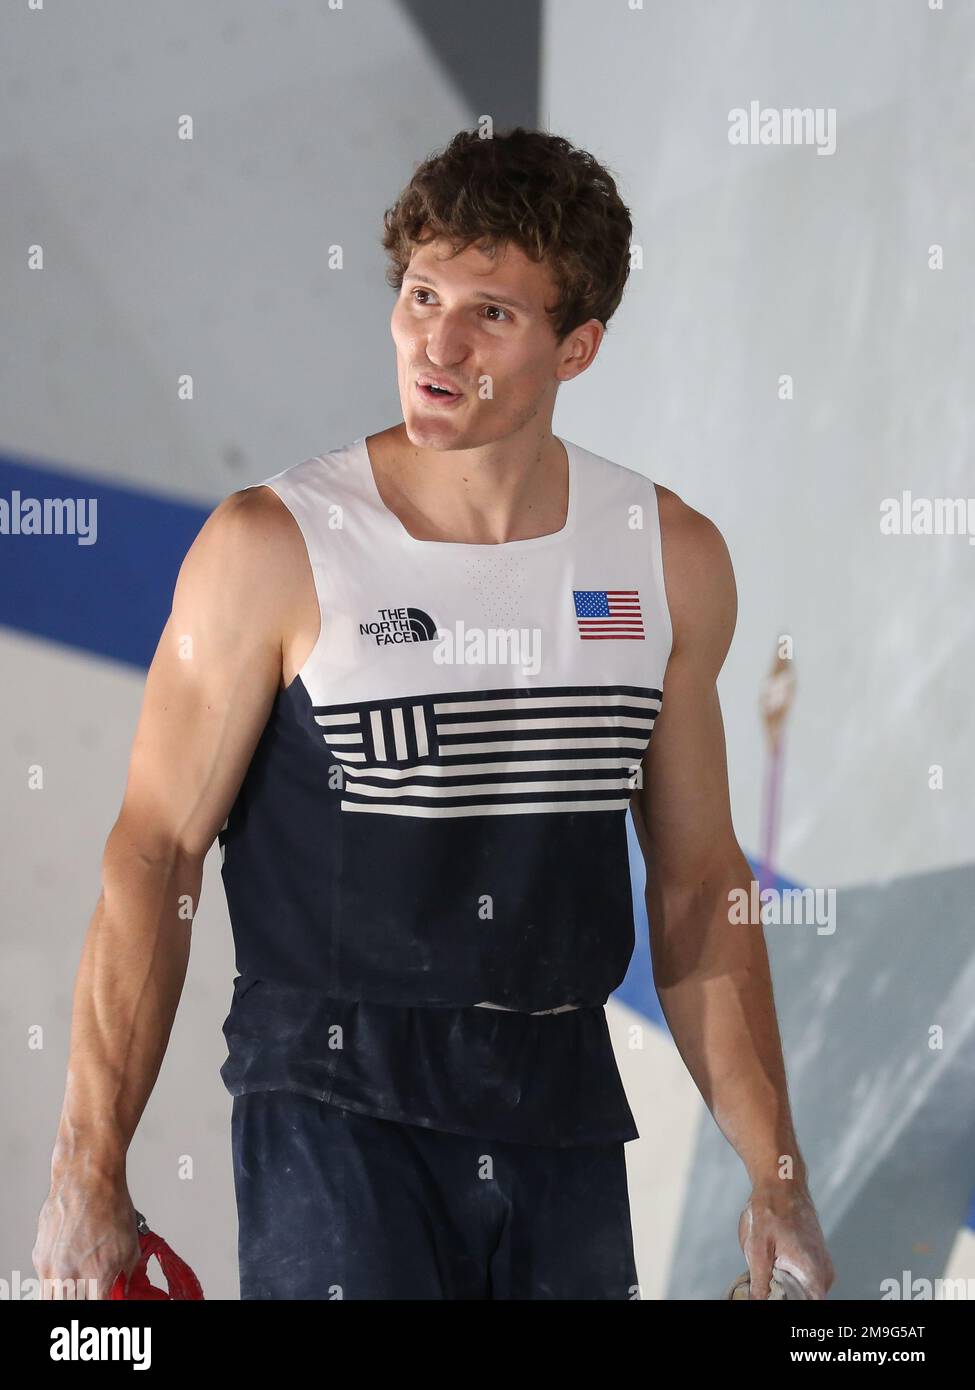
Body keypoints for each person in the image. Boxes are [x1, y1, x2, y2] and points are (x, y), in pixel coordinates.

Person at [33, 127, 834, 1301]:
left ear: (580, 346)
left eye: (491, 315)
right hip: (333, 1096)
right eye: (420, 296)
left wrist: (777, 1176)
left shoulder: (668, 559)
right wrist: (85, 1171)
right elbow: (155, 854)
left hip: (562, 1103)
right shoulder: (273, 548)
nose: (436, 344)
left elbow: (698, 888)